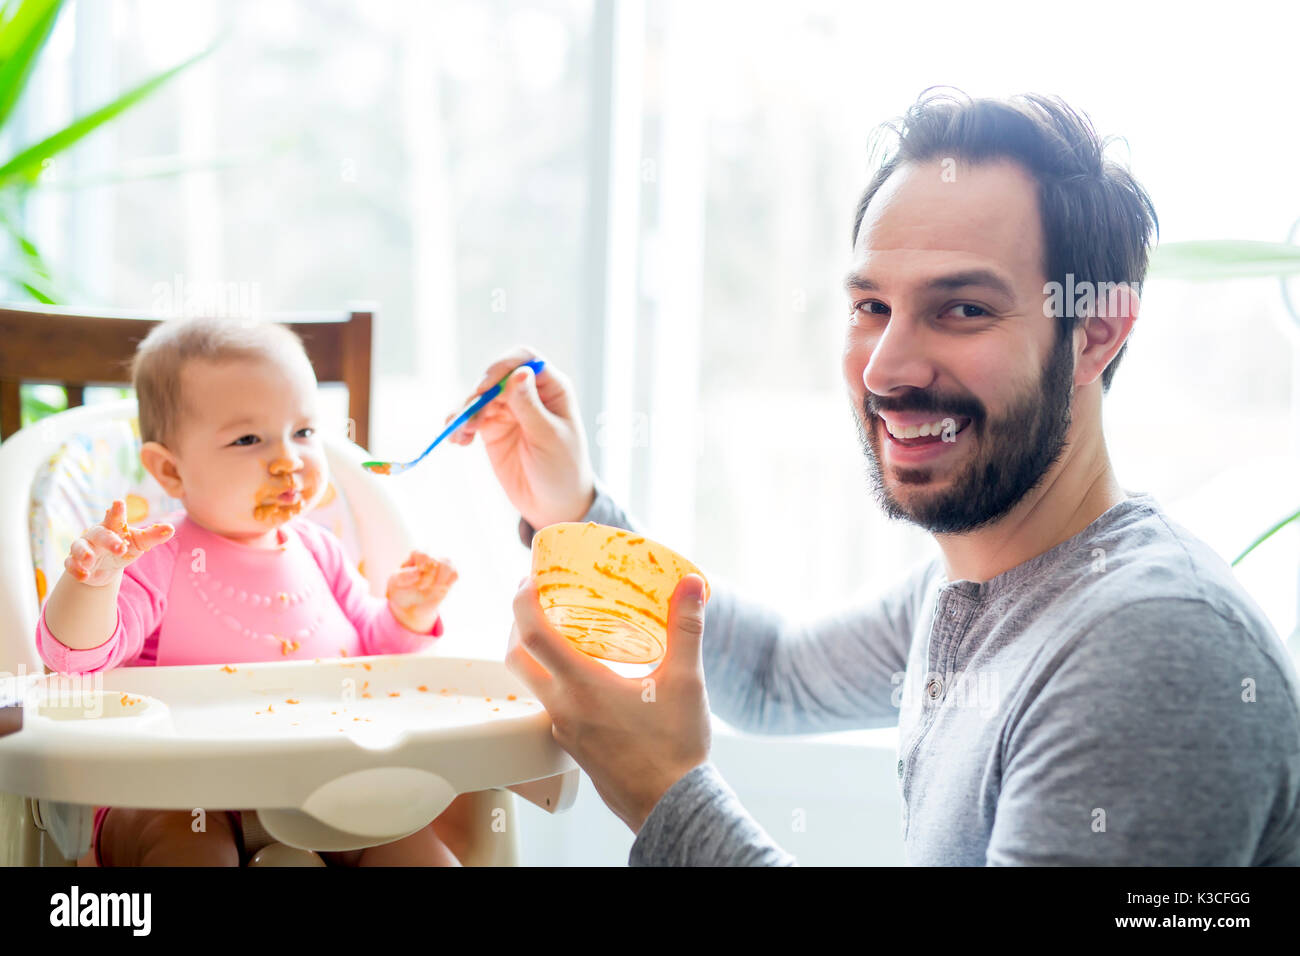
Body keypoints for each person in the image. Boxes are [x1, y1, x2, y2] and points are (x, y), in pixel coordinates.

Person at [448, 89, 1300, 865]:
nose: (886, 369)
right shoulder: (985, 579)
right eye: (871, 307)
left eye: (962, 309)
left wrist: (667, 796)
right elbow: (775, 674)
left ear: (1098, 332)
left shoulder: (1150, 648)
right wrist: (574, 507)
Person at [37, 316, 467, 866]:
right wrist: (94, 585)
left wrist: (406, 615)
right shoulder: (159, 559)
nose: (288, 458)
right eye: (248, 438)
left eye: (304, 433)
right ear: (170, 470)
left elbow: (375, 659)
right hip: (170, 787)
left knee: (410, 842)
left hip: (323, 782)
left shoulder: (321, 550)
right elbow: (74, 663)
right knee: (187, 846)